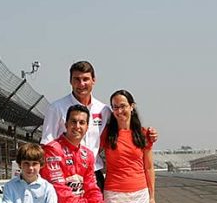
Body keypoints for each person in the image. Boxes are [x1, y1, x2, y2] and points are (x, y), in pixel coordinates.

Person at [41, 60, 158, 190]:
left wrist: (148, 133)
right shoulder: (56, 108)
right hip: (65, 175)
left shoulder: (104, 110)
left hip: (93, 174)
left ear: (93, 80)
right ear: (70, 81)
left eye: (86, 79)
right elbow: (47, 145)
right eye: (77, 79)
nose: (81, 84)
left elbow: (125, 129)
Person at [41, 104, 139, 203]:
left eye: (82, 123)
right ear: (65, 124)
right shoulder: (52, 150)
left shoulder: (87, 154)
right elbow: (60, 192)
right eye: (73, 122)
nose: (77, 126)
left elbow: (92, 188)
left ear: (87, 127)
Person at [101, 90, 156, 203]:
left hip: (140, 196)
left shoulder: (143, 134)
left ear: (132, 107)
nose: (119, 111)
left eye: (123, 106)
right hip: (114, 196)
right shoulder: (107, 134)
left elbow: (148, 168)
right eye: (115, 107)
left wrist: (152, 197)